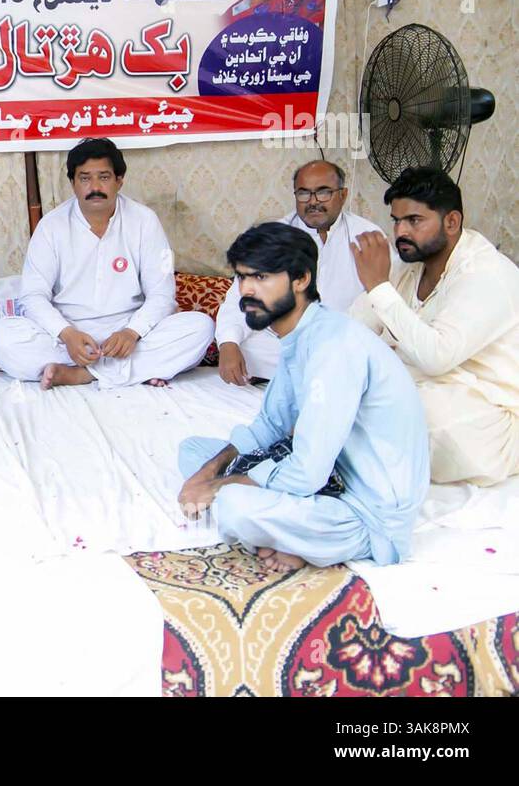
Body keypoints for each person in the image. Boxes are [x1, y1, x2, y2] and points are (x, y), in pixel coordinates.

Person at [177, 223, 429, 573]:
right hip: (331, 481)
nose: (246, 290)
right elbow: (269, 425)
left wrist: (220, 486)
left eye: (261, 277)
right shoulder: (301, 337)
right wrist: (205, 475)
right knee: (193, 453)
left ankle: (305, 541)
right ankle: (290, 538)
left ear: (300, 279)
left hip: (366, 512)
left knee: (233, 504)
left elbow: (308, 472)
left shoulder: (333, 346)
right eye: (241, 277)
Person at [0, 138, 213, 390]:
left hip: (127, 334)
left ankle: (81, 375)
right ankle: (128, 371)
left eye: (104, 177)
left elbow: (162, 293)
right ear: (72, 183)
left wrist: (132, 332)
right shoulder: (51, 226)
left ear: (119, 180)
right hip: (68, 335)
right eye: (85, 178)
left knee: (200, 327)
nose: (95, 187)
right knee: (3, 337)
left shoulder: (144, 221)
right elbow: (33, 296)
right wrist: (67, 334)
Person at [349, 166, 519, 486]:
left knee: (414, 409)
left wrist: (378, 288)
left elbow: (437, 358)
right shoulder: (407, 266)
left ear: (451, 222)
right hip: (435, 386)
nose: (400, 232)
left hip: (493, 416)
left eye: (414, 221)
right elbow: (352, 331)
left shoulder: (486, 274)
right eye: (396, 220)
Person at [216, 160, 381, 383]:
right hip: (283, 344)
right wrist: (228, 345)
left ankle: (305, 374)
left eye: (323, 193)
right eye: (304, 194)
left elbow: (386, 299)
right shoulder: (273, 237)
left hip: (341, 343)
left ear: (342, 195)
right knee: (244, 344)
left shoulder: (368, 237)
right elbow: (240, 299)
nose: (313, 202)